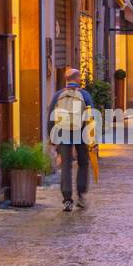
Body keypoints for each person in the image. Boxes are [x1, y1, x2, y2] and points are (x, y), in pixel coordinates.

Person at [49, 68, 94, 212]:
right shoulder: (84, 95)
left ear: (66, 80)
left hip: (63, 132)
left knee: (66, 165)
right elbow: (91, 117)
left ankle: (67, 199)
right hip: (81, 132)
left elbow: (51, 116)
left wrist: (52, 137)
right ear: (78, 79)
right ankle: (81, 195)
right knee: (83, 162)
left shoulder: (58, 95)